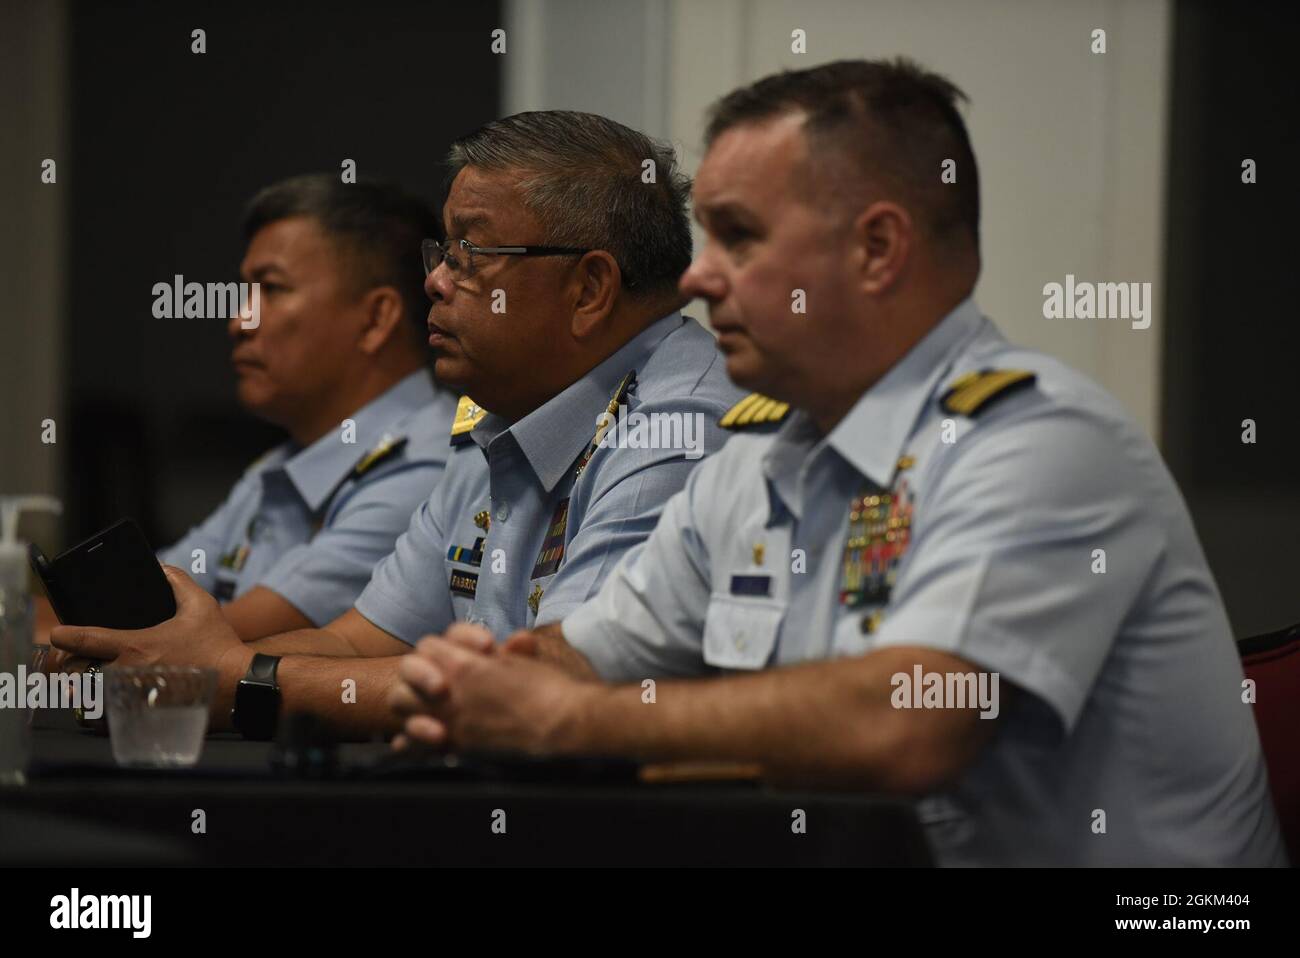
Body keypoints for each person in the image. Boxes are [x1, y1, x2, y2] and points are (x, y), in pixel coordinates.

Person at [388, 60, 1287, 867]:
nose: (700, 279)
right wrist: (483, 682)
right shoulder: (758, 460)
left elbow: (909, 722)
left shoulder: (1039, 442)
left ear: (876, 249)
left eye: (739, 238)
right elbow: (590, 655)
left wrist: (563, 721)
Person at [51, 112, 745, 740]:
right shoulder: (502, 413)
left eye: (472, 254)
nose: (437, 282)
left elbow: (551, 685)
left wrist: (229, 679)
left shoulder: (678, 425)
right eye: (442, 253)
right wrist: (209, 661)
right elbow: (360, 644)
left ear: (589, 289)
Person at [39, 174, 457, 647]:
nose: (239, 321)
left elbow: (184, 647)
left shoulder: (431, 464)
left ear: (376, 318)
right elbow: (130, 600)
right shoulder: (280, 465)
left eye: (272, 289)